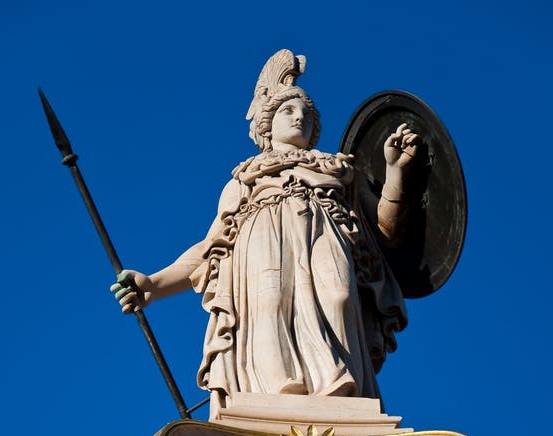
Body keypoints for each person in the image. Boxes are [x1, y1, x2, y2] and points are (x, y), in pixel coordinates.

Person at [112, 50, 419, 417]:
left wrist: (395, 171)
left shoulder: (338, 171)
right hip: (261, 237)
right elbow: (212, 248)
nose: (299, 118)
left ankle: (339, 389)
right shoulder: (245, 179)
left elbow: (384, 229)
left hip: (325, 230)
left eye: (306, 114)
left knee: (338, 295)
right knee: (269, 299)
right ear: (267, 123)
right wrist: (155, 284)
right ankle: (278, 388)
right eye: (289, 111)